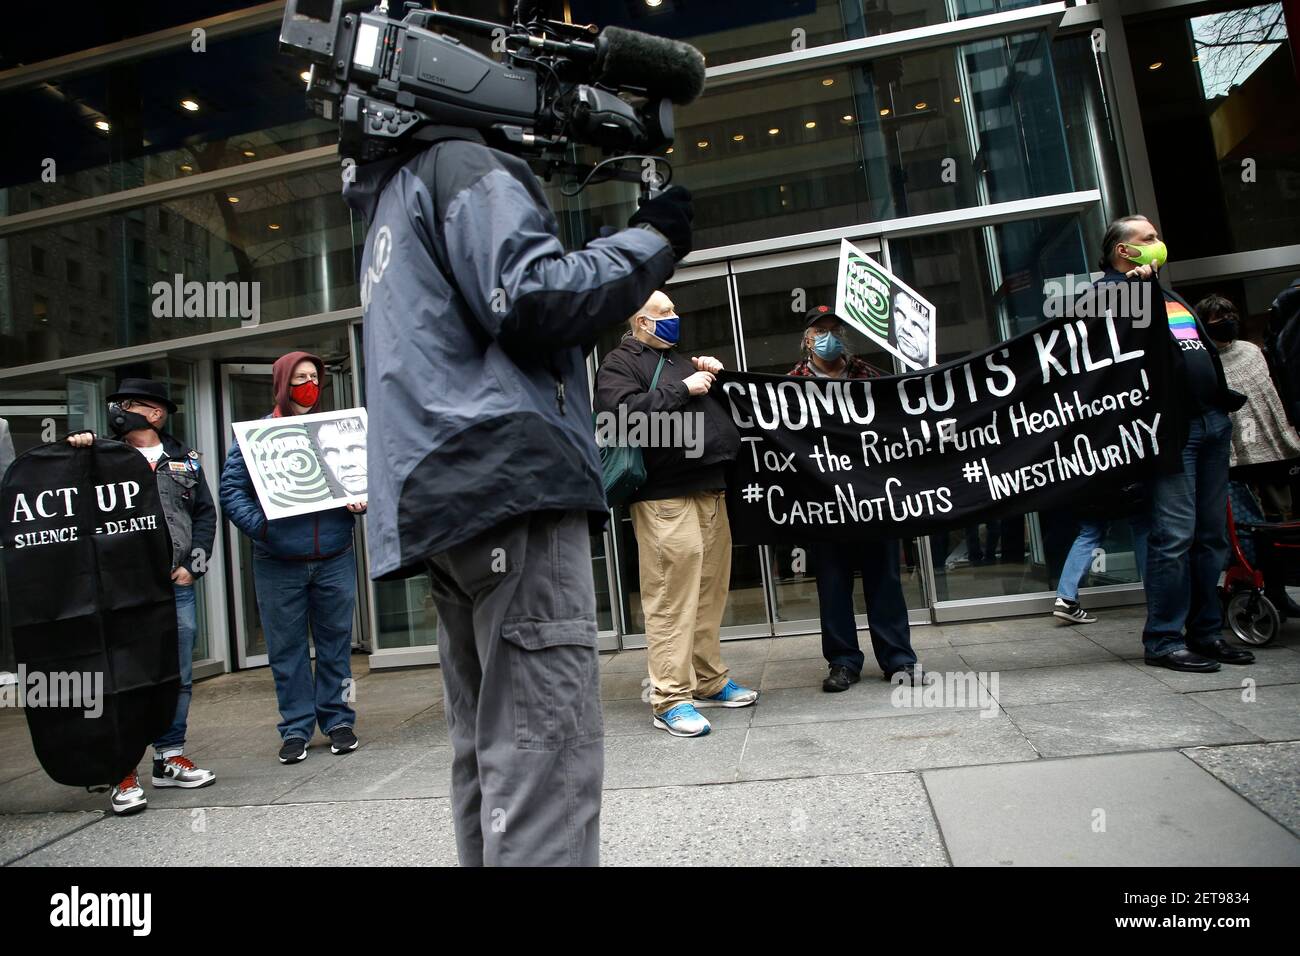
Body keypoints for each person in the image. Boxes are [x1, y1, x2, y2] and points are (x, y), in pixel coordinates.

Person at [341, 123, 691, 865]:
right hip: (508, 486)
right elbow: (533, 297)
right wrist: (650, 240)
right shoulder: (462, 165)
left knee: (489, 751)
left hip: (450, 498)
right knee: (542, 757)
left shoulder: (394, 200)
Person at [594, 290, 755, 736]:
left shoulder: (680, 360)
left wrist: (704, 375)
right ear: (641, 323)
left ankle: (707, 679)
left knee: (707, 595)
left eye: (674, 311)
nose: (674, 318)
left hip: (709, 492)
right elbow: (619, 418)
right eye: (664, 313)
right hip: (665, 498)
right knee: (670, 598)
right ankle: (669, 698)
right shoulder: (619, 364)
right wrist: (682, 388)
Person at [1096, 215, 1253, 672]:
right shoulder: (1110, 294)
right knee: (1174, 538)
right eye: (1148, 239)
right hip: (1172, 433)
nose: (1158, 244)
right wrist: (1134, 290)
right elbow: (1110, 344)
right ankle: (1164, 640)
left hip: (1210, 424)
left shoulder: (1168, 294)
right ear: (1124, 251)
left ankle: (1205, 632)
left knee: (1211, 537)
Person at [66, 378, 217, 815]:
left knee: (178, 675)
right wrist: (76, 447)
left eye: (129, 404)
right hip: (123, 593)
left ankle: (169, 757)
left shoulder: (184, 460)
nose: (118, 410)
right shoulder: (98, 456)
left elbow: (204, 513)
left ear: (155, 413)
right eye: (116, 404)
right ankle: (122, 771)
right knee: (125, 678)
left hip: (176, 586)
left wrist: (196, 564)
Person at [219, 352, 366, 764]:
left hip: (334, 555)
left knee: (336, 645)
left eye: (314, 377)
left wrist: (359, 500)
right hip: (277, 563)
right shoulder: (256, 437)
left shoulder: (334, 432)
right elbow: (232, 493)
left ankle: (338, 720)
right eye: (300, 378)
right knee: (287, 650)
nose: (309, 385)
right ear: (282, 383)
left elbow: (358, 478)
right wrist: (265, 530)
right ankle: (296, 727)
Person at [788, 306, 920, 690]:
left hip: (875, 501)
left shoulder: (873, 377)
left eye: (834, 329)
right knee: (832, 586)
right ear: (806, 339)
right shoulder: (788, 388)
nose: (828, 337)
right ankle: (843, 662)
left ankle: (899, 660)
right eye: (819, 331)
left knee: (886, 583)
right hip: (825, 506)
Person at [1200, 293, 1300, 618]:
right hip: (1231, 459)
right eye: (1218, 316)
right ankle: (1244, 588)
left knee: (1279, 522)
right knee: (1243, 528)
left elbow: (1271, 399)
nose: (1227, 320)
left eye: (1229, 313)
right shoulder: (1204, 360)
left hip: (1273, 452)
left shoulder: (1253, 351)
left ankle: (1277, 590)